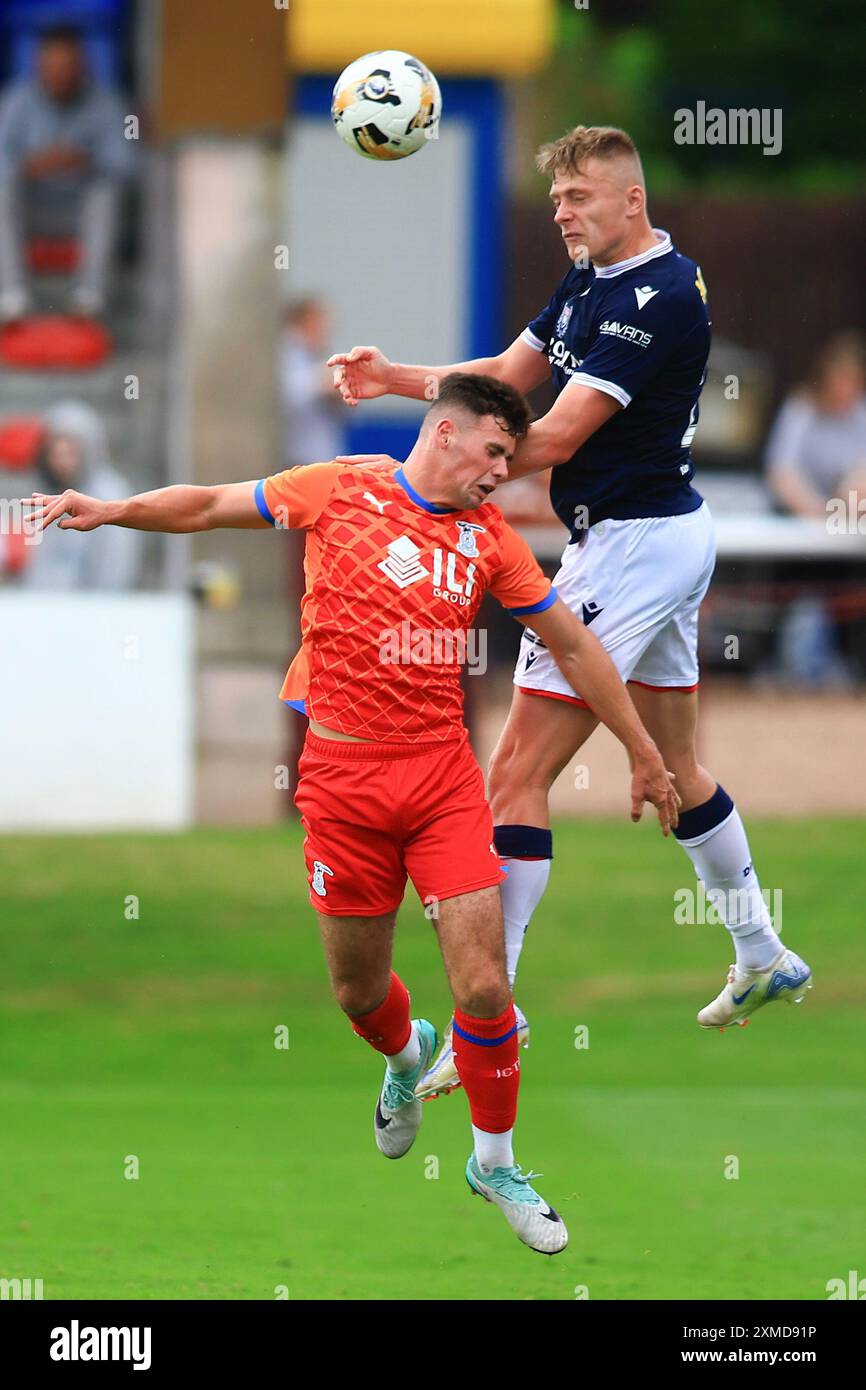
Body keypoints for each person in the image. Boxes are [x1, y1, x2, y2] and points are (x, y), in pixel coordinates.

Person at [28, 373, 680, 1256]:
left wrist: (643, 748)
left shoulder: (491, 540)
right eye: (495, 453)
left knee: (486, 987)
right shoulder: (341, 486)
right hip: (340, 781)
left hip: (443, 780)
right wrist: (110, 509)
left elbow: (572, 643)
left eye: (512, 460)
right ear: (445, 433)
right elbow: (212, 505)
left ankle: (495, 1162)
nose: (504, 473)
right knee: (356, 993)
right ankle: (405, 1053)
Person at [328, 126, 812, 1104]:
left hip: (633, 546)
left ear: (629, 200)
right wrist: (397, 380)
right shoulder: (591, 281)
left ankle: (489, 1005)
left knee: (512, 770)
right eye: (553, 203)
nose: (562, 216)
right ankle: (760, 950)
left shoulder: (657, 296)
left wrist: (448, 481)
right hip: (652, 535)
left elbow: (545, 434)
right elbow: (503, 384)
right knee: (677, 767)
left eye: (578, 199)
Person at [0, 23, 135, 322]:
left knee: (107, 189)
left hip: (82, 213)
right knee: (2, 188)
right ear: (38, 66)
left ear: (82, 65)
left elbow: (128, 166)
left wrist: (83, 160)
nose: (59, 74)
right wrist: (31, 166)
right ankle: (11, 298)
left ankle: (89, 299)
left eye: (66, 66)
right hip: (32, 211)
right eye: (51, 67)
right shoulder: (15, 102)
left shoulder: (110, 105)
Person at [764, 333, 866, 686]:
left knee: (846, 589)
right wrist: (818, 513)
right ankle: (786, 664)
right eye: (839, 380)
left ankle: (846, 663)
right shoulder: (801, 409)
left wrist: (851, 494)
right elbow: (781, 472)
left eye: (852, 382)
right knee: (801, 589)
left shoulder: (861, 415)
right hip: (801, 526)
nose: (845, 389)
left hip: (846, 526)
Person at [21, 400, 141, 591]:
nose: (61, 463)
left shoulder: (110, 497)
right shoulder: (49, 496)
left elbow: (115, 567)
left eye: (70, 453)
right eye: (55, 454)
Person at [279, 298, 346, 468]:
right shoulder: (285, 354)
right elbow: (284, 395)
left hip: (319, 457)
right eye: (320, 322)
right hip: (294, 457)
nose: (327, 328)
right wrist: (321, 384)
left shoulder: (320, 354)